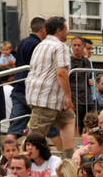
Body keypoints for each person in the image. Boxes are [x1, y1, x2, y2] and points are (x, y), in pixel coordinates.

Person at [23, 17, 75, 150]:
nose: (67, 32)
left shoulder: (40, 45)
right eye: (65, 29)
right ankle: (16, 163)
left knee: (69, 119)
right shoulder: (60, 46)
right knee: (34, 140)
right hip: (47, 98)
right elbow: (61, 72)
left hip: (42, 96)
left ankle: (68, 158)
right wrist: (68, 96)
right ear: (59, 31)